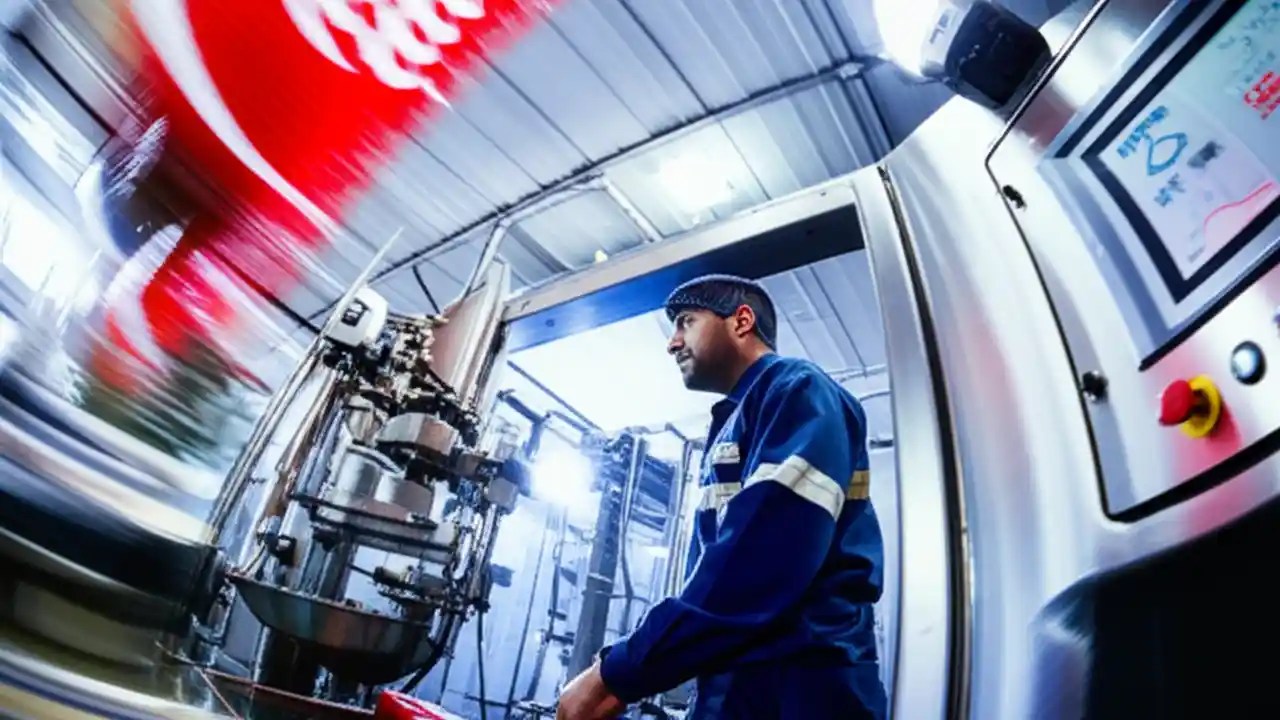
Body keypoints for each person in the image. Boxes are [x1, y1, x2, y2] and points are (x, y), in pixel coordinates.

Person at [556, 274, 887, 720]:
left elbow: (761, 556)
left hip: (798, 685)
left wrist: (616, 673)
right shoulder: (738, 419)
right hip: (741, 681)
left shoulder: (797, 389)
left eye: (686, 322)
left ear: (742, 321)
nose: (672, 343)